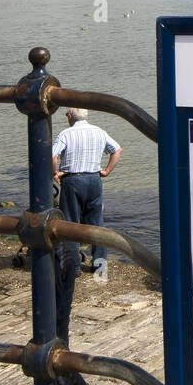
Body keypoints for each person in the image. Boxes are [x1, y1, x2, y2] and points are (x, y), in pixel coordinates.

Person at [51, 110, 122, 336]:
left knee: (70, 226)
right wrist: (107, 171)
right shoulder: (99, 132)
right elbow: (117, 150)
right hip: (93, 179)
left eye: (67, 115)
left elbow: (52, 155)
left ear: (71, 117)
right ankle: (100, 268)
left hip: (72, 180)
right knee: (95, 224)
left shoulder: (65, 133)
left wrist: (56, 173)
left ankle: (72, 270)